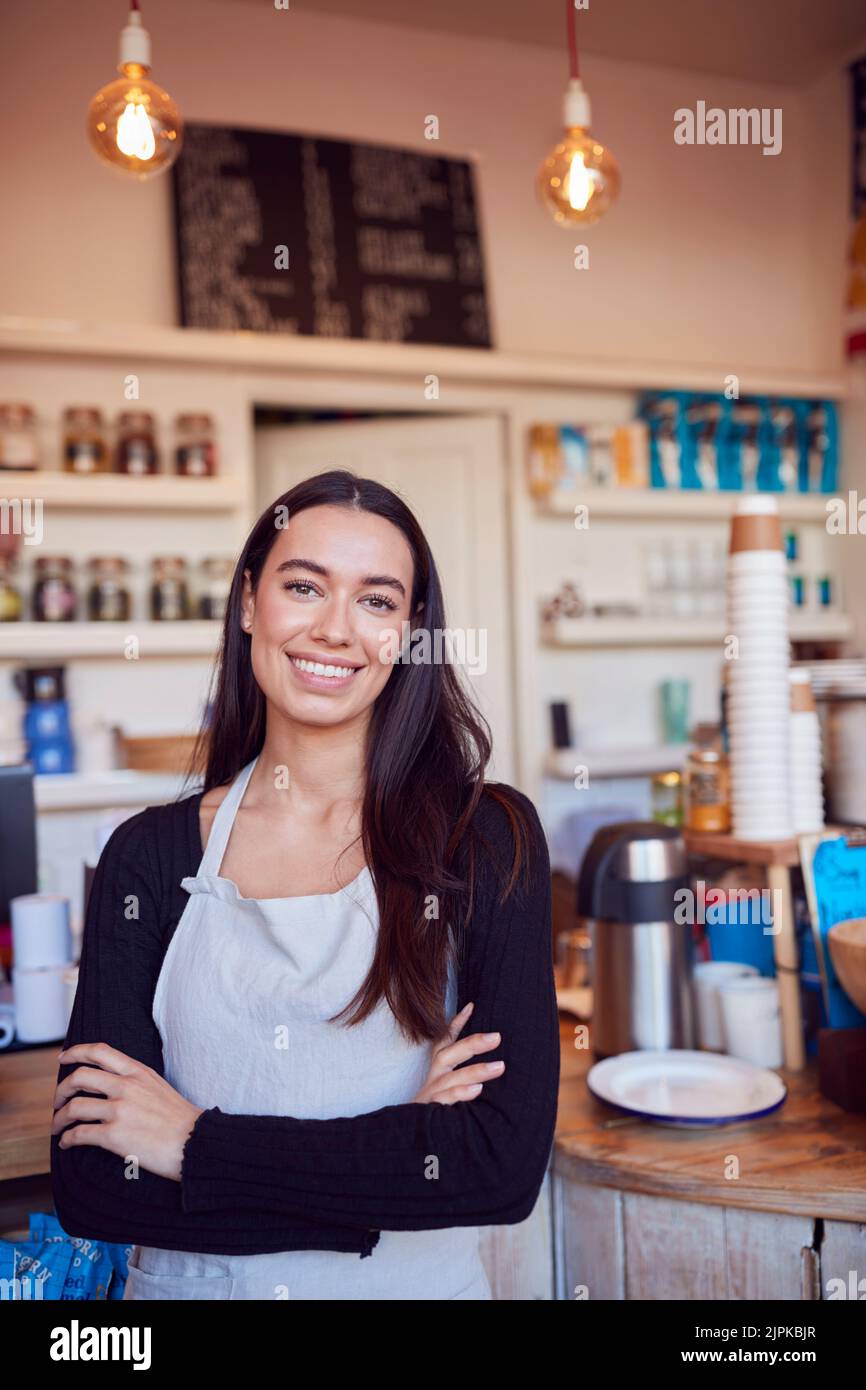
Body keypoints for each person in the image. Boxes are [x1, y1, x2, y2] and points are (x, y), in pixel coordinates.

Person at [50, 469, 560, 1300]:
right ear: (250, 603)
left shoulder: (487, 841)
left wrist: (193, 1144)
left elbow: (497, 1170)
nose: (335, 630)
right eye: (303, 586)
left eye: (377, 601)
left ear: (409, 633)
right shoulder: (145, 858)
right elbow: (96, 1187)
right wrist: (394, 1165)